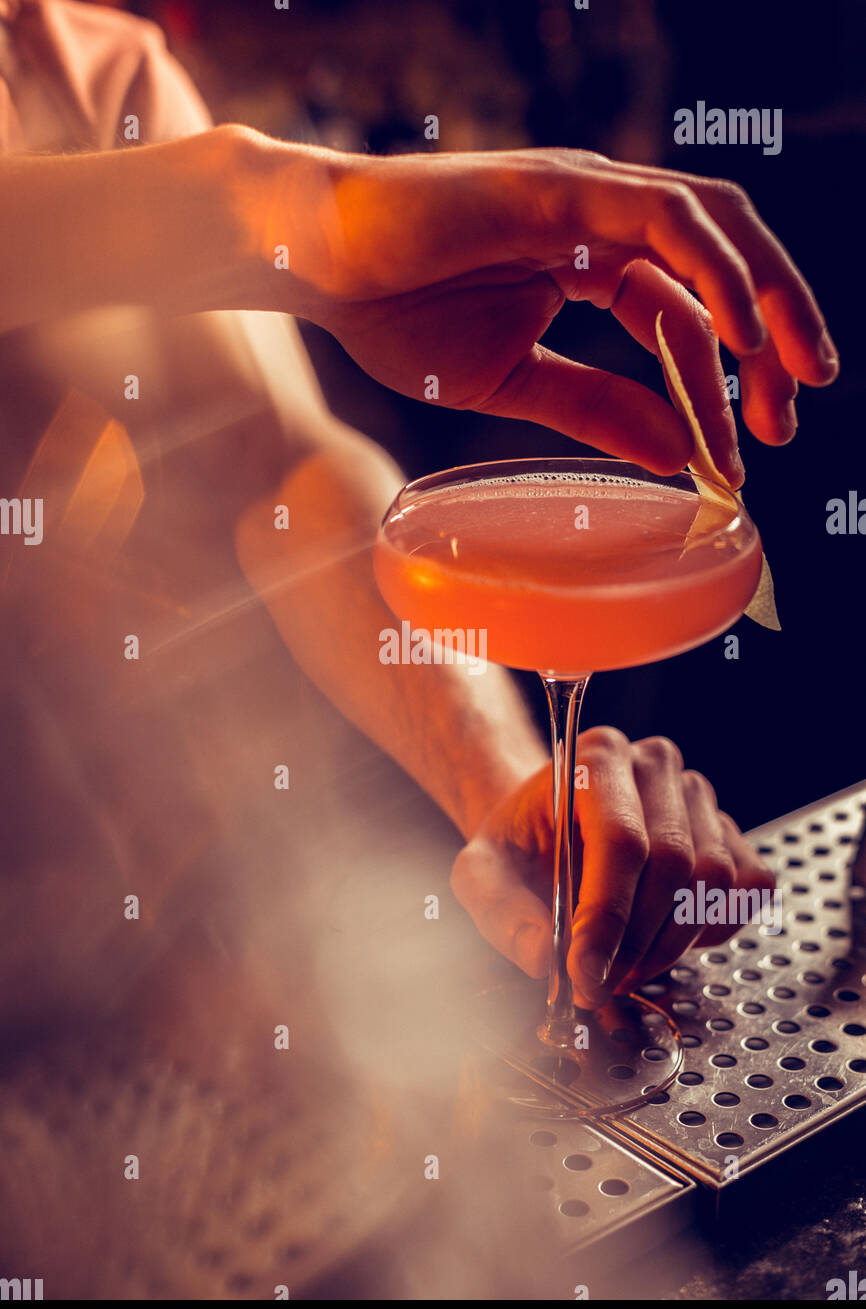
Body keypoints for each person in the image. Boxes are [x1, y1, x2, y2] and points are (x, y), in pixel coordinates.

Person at [0, 0, 838, 1018]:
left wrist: (503, 786)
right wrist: (283, 207)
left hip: (119, 973)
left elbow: (275, 468)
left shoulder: (89, 71)